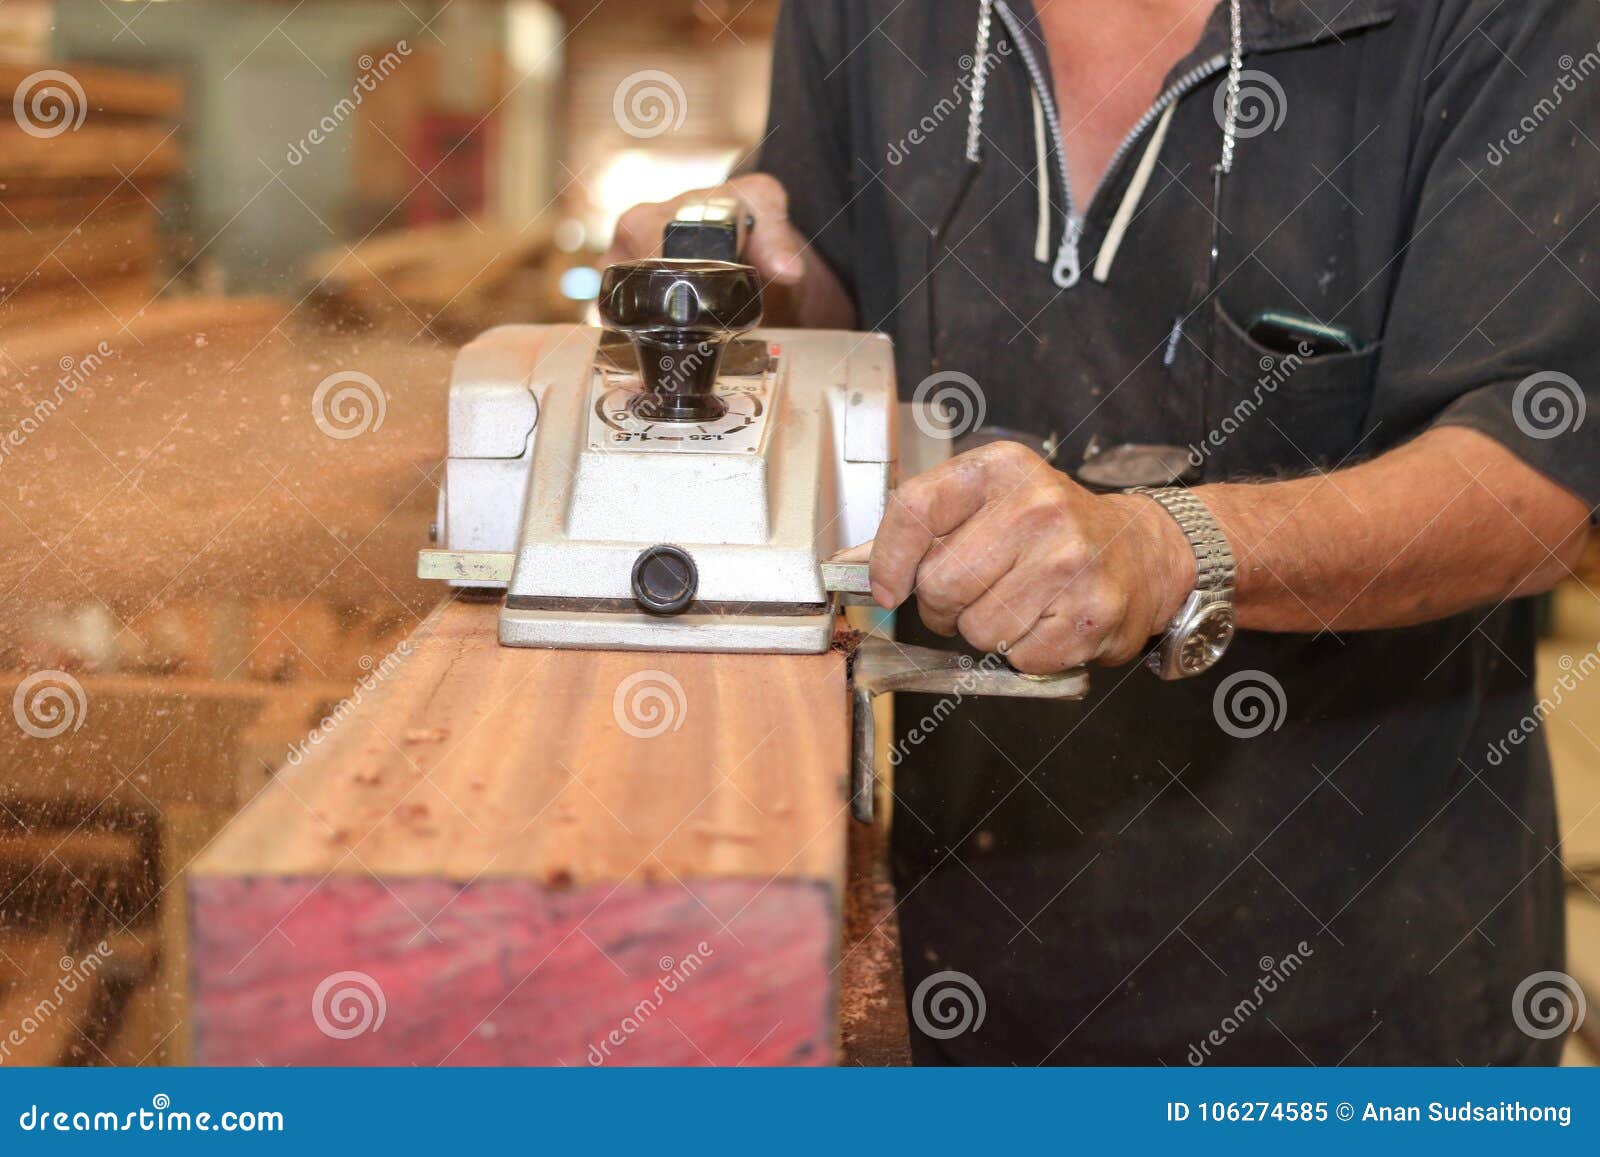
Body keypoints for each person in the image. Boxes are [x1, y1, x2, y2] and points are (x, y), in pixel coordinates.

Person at [607, 0, 1600, 1064]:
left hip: (1357, 991)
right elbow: (845, 293)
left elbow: (1534, 479)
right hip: (968, 956)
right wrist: (761, 282)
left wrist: (1169, 550)